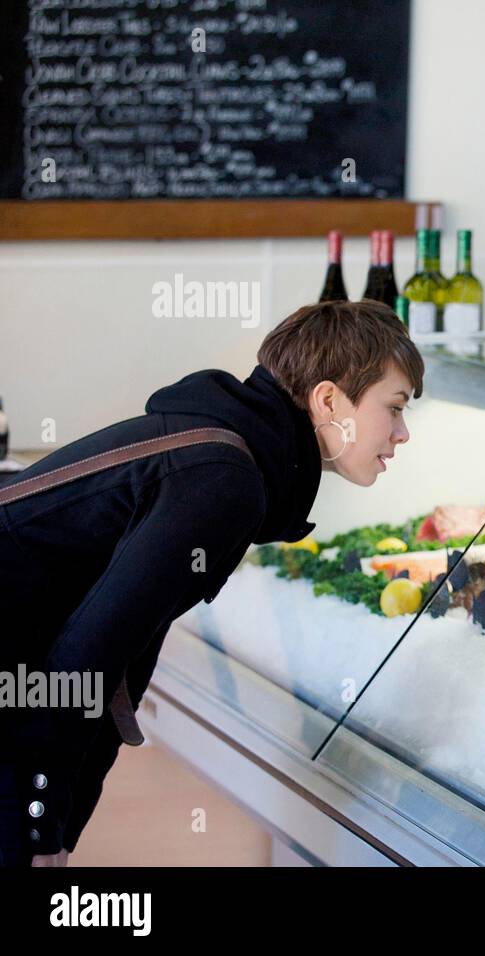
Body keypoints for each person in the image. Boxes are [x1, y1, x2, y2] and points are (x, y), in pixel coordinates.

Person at [0, 300, 422, 867]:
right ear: (328, 401)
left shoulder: (229, 454)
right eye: (393, 408)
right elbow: (83, 665)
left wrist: (59, 822)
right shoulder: (225, 480)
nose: (403, 433)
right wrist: (39, 829)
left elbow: (114, 656)